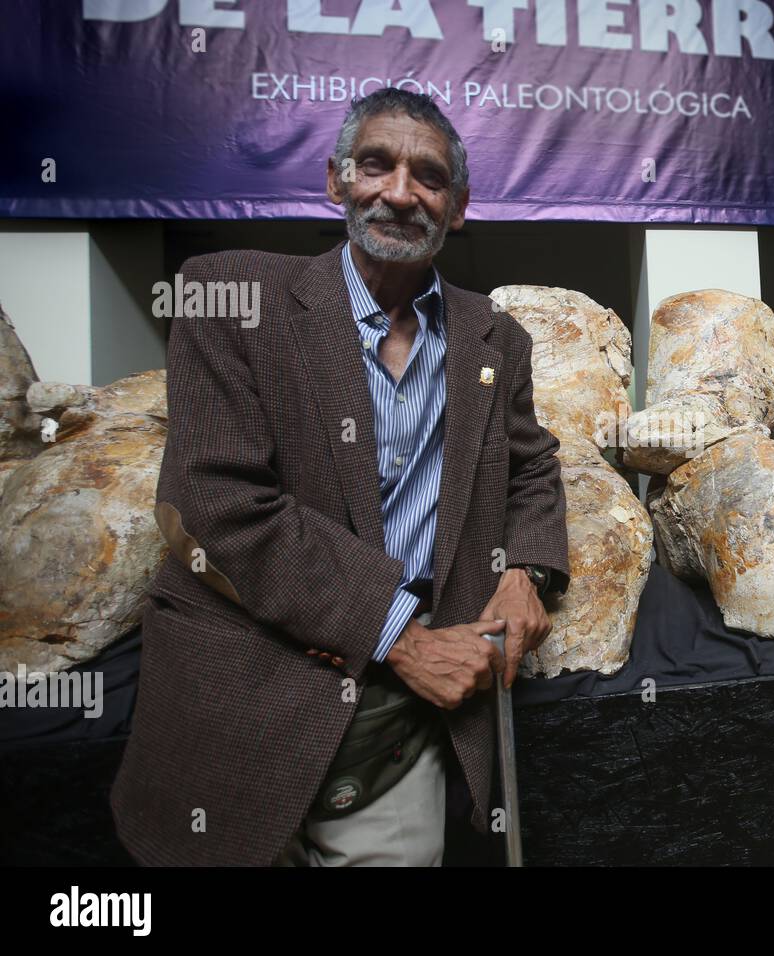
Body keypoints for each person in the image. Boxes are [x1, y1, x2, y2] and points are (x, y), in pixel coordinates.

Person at [110, 88, 570, 866]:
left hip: (397, 730)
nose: (399, 192)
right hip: (247, 690)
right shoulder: (231, 299)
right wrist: (400, 637)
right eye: (375, 165)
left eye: (428, 177)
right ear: (335, 182)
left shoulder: (496, 340)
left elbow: (532, 466)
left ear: (456, 208)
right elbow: (217, 504)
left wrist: (526, 569)